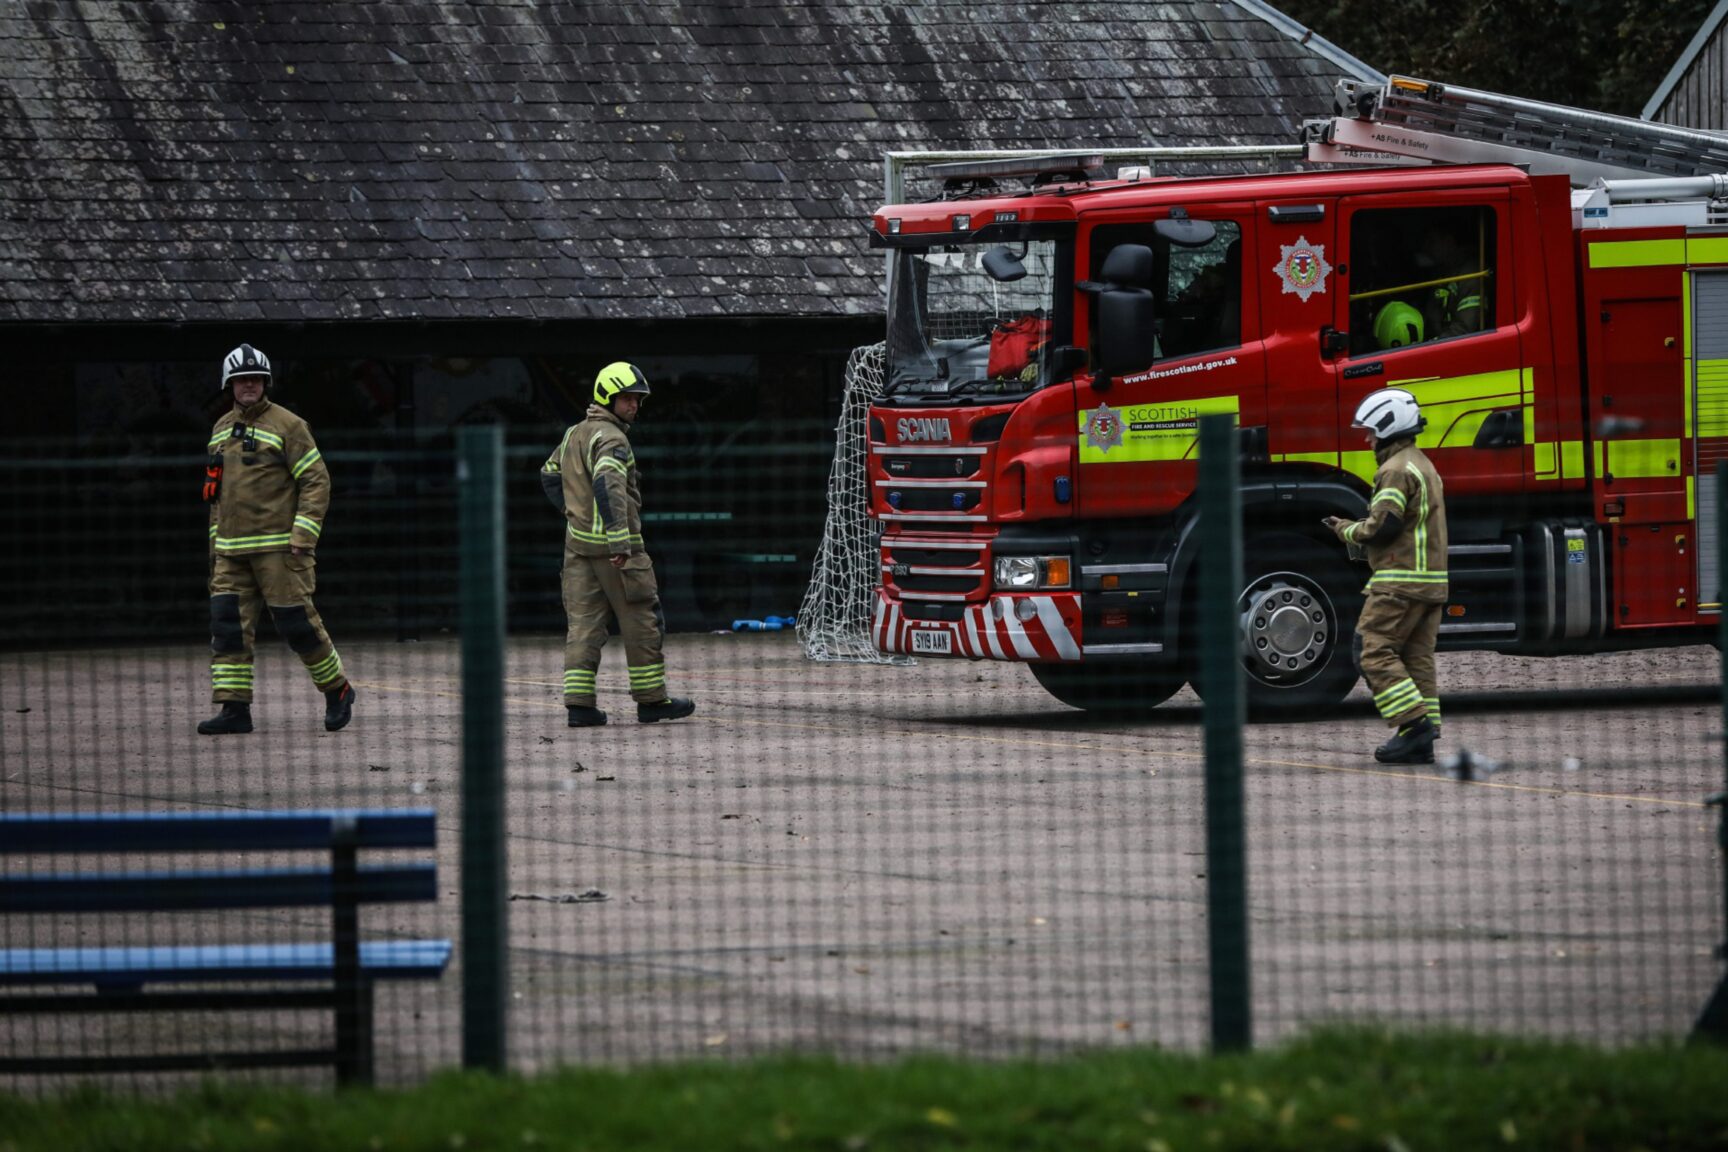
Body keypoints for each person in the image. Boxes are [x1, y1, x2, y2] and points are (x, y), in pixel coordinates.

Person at [199, 344, 355, 735]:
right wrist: (215, 549)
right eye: (240, 379)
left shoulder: (289, 425)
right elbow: (215, 496)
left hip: (280, 550)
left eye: (255, 378)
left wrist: (303, 533)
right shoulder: (219, 431)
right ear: (229, 384)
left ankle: (337, 691)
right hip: (230, 553)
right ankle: (235, 710)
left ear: (265, 382)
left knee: (297, 625)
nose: (248, 385)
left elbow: (316, 481)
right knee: (228, 630)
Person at [540, 362, 695, 727]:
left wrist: (571, 511)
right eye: (628, 399)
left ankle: (579, 707)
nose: (634, 406)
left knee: (583, 626)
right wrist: (619, 540)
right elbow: (608, 485)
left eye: (638, 400)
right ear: (607, 397)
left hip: (577, 546)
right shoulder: (612, 438)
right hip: (616, 551)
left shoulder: (574, 434)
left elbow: (548, 473)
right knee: (642, 620)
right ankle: (652, 701)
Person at [1323, 388, 1448, 764]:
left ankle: (1413, 724)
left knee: (1372, 650)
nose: (1367, 438)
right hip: (1431, 582)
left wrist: (1345, 529)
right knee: (1415, 657)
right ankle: (1422, 737)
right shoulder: (1422, 464)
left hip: (1400, 580)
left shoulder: (1394, 470)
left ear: (1388, 426)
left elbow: (1384, 527)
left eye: (1371, 431)